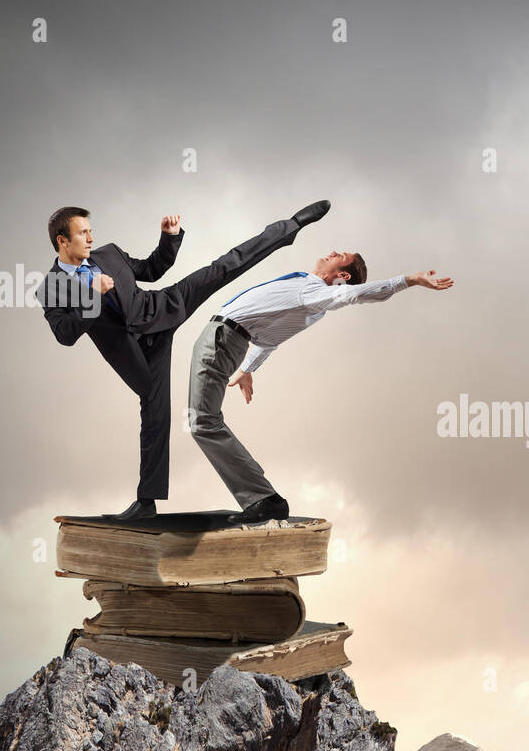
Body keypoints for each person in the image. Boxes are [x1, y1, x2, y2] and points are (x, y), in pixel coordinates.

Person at [38, 200, 331, 521]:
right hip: (132, 350)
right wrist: (91, 295)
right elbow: (65, 334)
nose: (91, 239)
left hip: (161, 308)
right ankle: (146, 502)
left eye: (91, 231)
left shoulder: (108, 254)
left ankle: (290, 227)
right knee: (156, 414)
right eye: (83, 234)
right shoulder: (51, 288)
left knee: (219, 268)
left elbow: (151, 270)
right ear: (62, 241)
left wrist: (169, 238)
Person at [188, 252, 455, 524]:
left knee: (202, 422)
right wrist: (247, 369)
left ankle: (263, 499)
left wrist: (408, 280)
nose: (332, 252)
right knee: (202, 421)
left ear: (343, 276)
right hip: (223, 338)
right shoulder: (308, 297)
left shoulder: (315, 293)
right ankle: (261, 496)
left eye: (340, 256)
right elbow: (269, 339)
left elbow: (352, 295)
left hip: (221, 339)